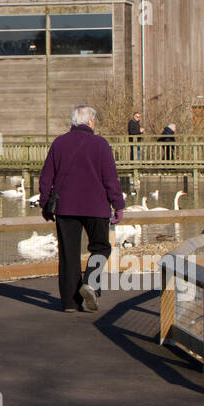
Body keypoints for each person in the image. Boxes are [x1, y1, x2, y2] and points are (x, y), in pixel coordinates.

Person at [38, 105, 124, 313]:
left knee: (69, 254)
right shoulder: (101, 144)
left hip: (66, 207)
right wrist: (118, 204)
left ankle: (69, 302)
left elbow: (46, 176)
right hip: (96, 206)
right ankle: (91, 283)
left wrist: (45, 203)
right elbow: (110, 178)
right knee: (101, 247)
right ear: (91, 121)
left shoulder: (59, 143)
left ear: (73, 122)